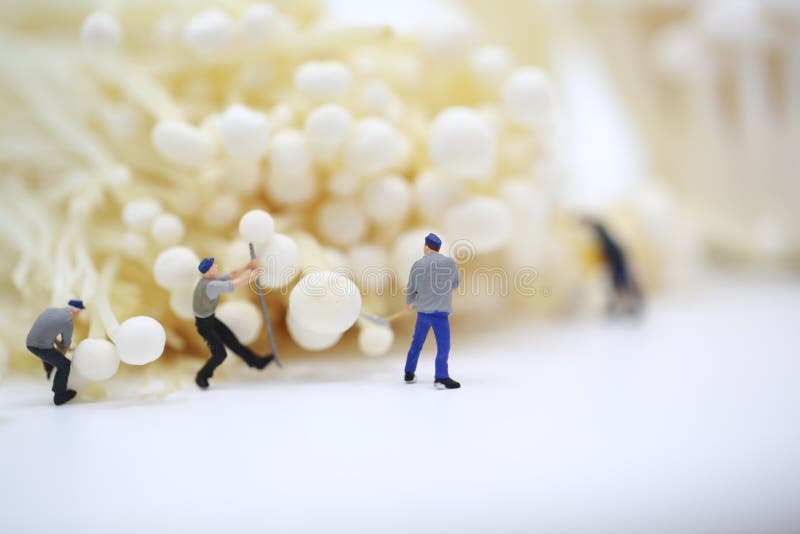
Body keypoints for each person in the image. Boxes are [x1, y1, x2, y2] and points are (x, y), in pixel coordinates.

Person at [193, 257, 274, 389]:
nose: (217, 267)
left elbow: (231, 276)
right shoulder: (210, 286)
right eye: (214, 267)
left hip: (211, 319)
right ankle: (202, 375)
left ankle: (257, 362)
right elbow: (233, 284)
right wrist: (251, 278)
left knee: (233, 341)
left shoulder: (210, 279)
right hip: (204, 325)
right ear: (208, 271)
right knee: (220, 354)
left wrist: (247, 267)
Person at [403, 233, 461, 389]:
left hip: (423, 311)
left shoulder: (417, 265)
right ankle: (441, 377)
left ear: (426, 247)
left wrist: (409, 303)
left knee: (417, 343)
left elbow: (411, 288)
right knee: (443, 346)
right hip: (440, 313)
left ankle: (409, 372)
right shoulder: (449, 263)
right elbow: (456, 284)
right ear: (438, 247)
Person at [581, 216, 643, 316]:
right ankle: (622, 308)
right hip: (615, 260)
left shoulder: (602, 233)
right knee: (619, 283)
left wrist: (589, 222)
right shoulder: (602, 235)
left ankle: (628, 308)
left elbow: (602, 236)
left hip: (616, 260)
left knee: (621, 283)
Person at [26, 299, 84, 405]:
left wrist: (58, 350)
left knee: (50, 352)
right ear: (76, 311)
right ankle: (59, 396)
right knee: (65, 365)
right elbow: (65, 344)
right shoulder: (68, 321)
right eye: (79, 312)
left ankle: (49, 372)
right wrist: (61, 356)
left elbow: (46, 331)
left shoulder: (51, 310)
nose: (79, 315)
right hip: (40, 347)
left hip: (30, 342)